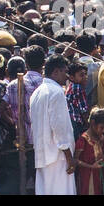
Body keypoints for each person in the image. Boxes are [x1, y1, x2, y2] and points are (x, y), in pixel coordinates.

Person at [29, 54, 76, 194]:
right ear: (56, 71)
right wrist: (68, 155)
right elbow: (59, 127)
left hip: (43, 154)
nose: (67, 76)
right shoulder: (56, 92)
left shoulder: (37, 92)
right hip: (58, 156)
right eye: (65, 72)